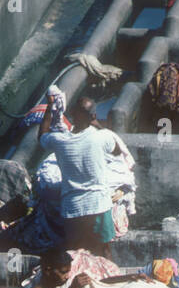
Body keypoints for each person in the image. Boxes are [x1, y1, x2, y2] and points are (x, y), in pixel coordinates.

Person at [38, 96, 124, 255]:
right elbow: (117, 150)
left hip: (72, 209)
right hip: (99, 205)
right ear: (93, 116)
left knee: (74, 255)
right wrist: (97, 124)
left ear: (71, 114)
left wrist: (50, 107)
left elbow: (41, 136)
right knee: (104, 251)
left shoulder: (59, 140)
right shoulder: (102, 136)